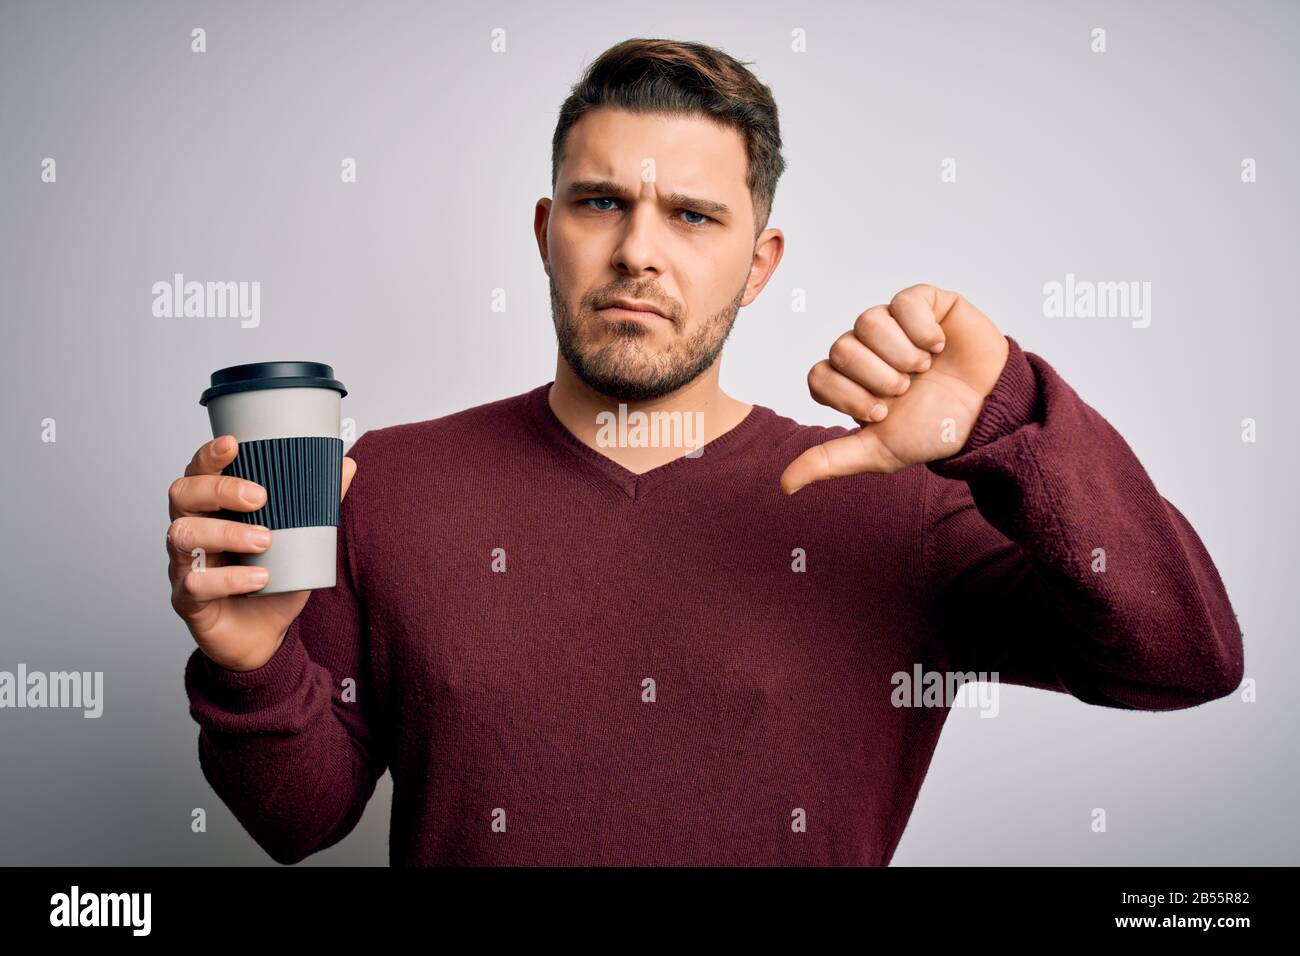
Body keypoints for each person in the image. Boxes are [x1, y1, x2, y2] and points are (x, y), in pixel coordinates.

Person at [166, 38, 1244, 866]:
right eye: (601, 203)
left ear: (758, 262)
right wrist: (248, 656)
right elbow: (302, 822)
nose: (639, 250)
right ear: (545, 231)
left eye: (691, 215)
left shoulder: (893, 510)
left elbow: (1185, 659)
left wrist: (1010, 421)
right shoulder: (386, 483)